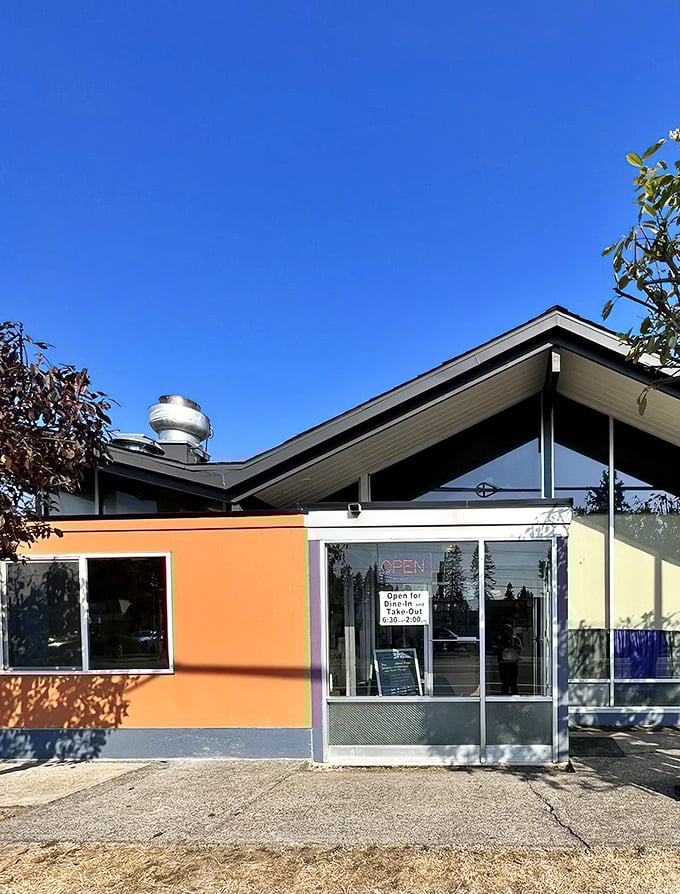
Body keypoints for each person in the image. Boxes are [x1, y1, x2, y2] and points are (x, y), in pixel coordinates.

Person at [497, 623, 522, 695]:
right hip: (504, 662)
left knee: (512, 682)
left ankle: (514, 696)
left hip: (511, 662)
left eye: (508, 631)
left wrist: (510, 647)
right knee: (505, 682)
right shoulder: (500, 639)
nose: (506, 633)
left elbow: (519, 649)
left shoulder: (514, 639)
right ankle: (505, 696)